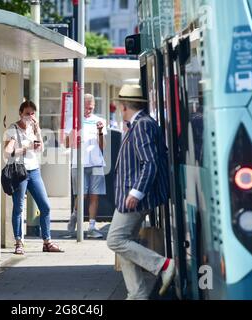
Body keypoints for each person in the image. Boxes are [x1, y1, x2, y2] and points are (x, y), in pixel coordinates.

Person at [106, 84, 174, 300]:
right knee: (126, 242)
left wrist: (136, 193)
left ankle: (163, 265)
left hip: (133, 197)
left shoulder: (142, 125)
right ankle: (137, 295)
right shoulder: (140, 123)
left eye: (119, 105)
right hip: (131, 194)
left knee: (115, 240)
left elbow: (150, 163)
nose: (118, 109)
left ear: (124, 106)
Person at [4, 100, 63, 255]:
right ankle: (18, 242)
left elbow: (41, 148)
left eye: (32, 114)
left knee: (45, 206)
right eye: (26, 114)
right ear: (20, 114)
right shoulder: (13, 129)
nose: (29, 117)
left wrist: (37, 131)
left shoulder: (33, 128)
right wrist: (26, 147)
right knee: (19, 208)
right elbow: (7, 152)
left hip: (34, 170)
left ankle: (47, 241)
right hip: (19, 172)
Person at [65, 94, 106, 238]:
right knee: (81, 195)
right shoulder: (72, 120)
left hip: (96, 162)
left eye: (91, 107)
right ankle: (75, 217)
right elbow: (66, 143)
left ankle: (92, 227)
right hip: (78, 162)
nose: (88, 109)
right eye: (85, 107)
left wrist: (100, 132)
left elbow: (102, 147)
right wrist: (73, 132)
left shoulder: (99, 121)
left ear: (94, 106)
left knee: (95, 196)